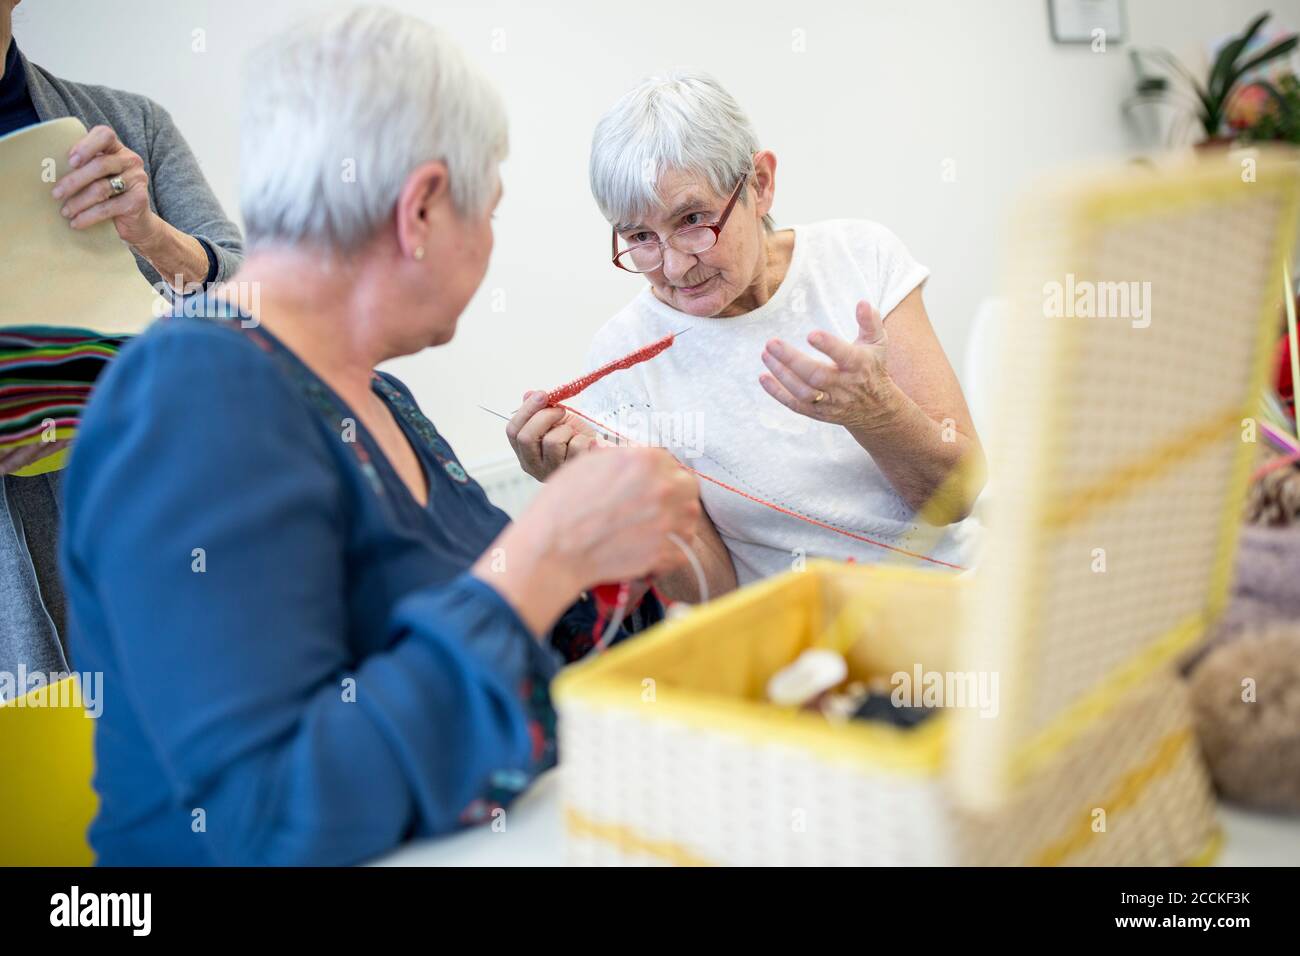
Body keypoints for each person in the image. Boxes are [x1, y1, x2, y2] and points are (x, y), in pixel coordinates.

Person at [60, 6, 700, 866]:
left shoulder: (379, 397)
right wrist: (546, 558)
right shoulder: (193, 396)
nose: (489, 247)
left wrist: (603, 557)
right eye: (491, 212)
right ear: (422, 210)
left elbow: (501, 647)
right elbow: (268, 818)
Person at [508, 71, 986, 586]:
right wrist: (608, 502)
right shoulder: (623, 352)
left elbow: (956, 496)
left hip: (953, 599)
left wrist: (875, 411)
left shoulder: (859, 256)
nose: (673, 268)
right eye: (641, 236)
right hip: (799, 639)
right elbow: (715, 592)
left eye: (692, 219)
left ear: (760, 185)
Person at [0, 0, 243, 685]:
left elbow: (247, 317)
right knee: (46, 784)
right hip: (18, 592)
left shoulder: (128, 126)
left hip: (165, 528)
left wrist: (151, 234)